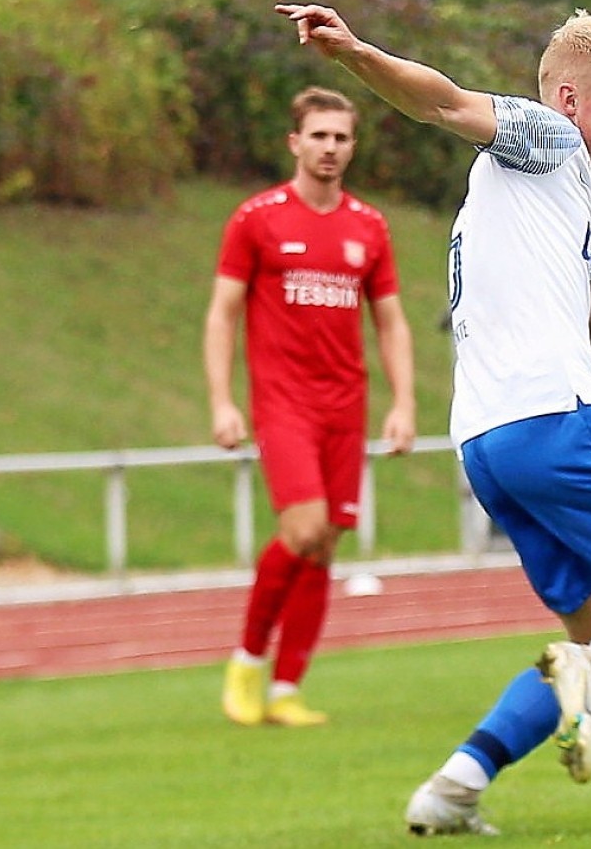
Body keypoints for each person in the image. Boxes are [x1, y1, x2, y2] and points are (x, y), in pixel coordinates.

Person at [272, 2, 591, 836]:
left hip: (489, 447)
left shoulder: (537, 201)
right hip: (559, 424)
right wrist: (355, 51)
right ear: (571, 99)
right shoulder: (546, 136)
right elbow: (441, 101)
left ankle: (454, 786)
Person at [205, 86, 418, 728]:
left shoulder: (368, 225)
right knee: (302, 530)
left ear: (353, 146)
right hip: (283, 402)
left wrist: (403, 401)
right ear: (295, 142)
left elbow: (391, 322)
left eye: (341, 137)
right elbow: (222, 313)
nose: (330, 148)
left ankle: (285, 689)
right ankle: (246, 660)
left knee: (324, 545)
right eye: (319, 136)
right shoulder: (256, 219)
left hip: (344, 404)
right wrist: (222, 401)